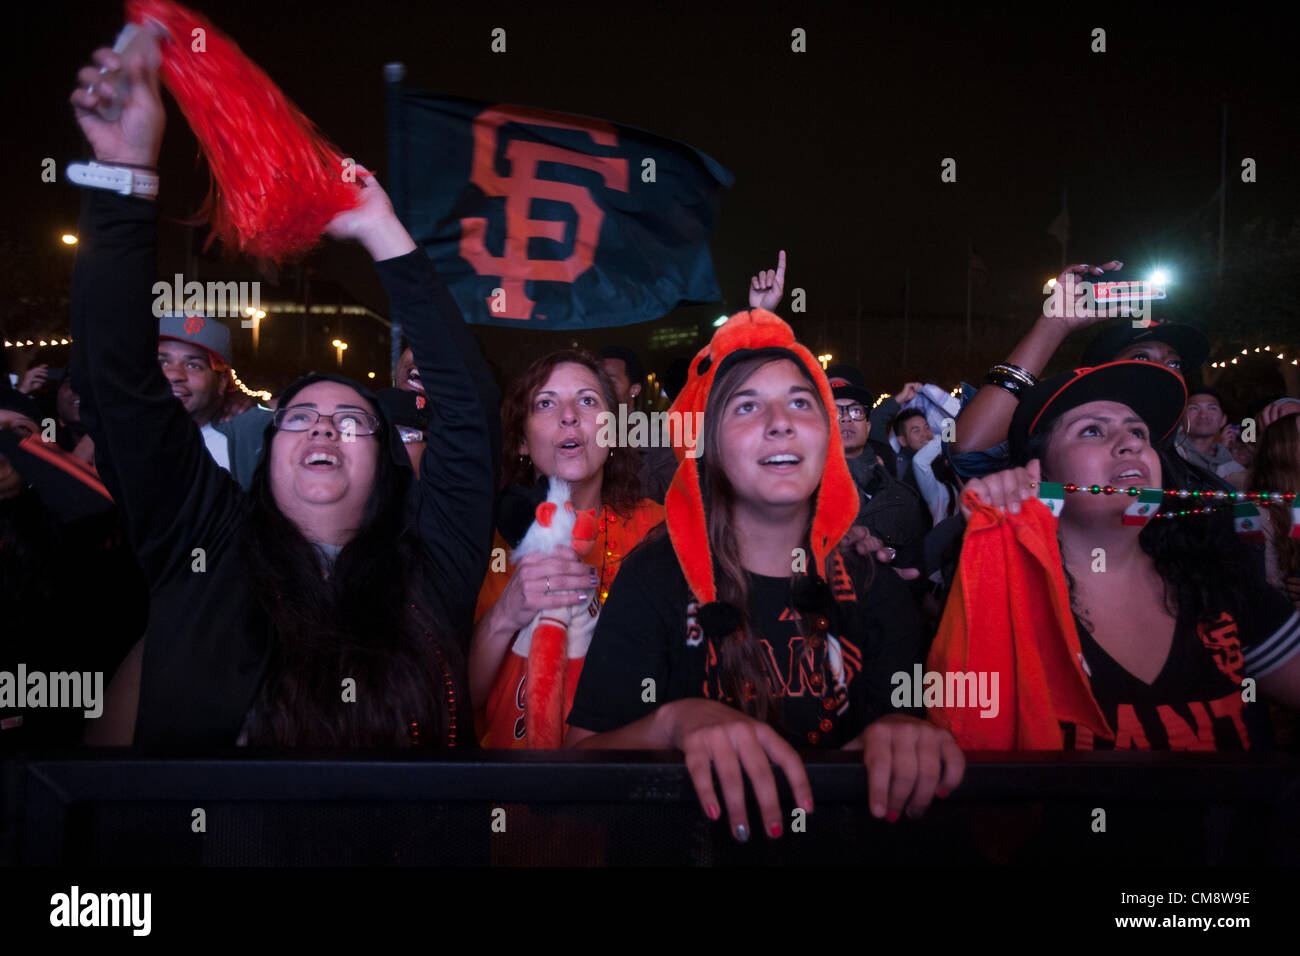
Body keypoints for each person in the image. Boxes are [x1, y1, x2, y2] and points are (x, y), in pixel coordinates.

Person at [68, 41, 498, 748]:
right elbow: (116, 380)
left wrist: (381, 230)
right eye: (299, 417)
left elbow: (471, 412)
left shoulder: (431, 565)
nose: (324, 429)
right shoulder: (201, 543)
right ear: (265, 460)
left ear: (387, 467)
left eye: (353, 422)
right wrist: (123, 174)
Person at [566, 309, 963, 840]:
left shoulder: (875, 589)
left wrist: (901, 734)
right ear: (708, 445)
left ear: (826, 437)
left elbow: (907, 769)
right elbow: (575, 779)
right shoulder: (655, 577)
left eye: (801, 402)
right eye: (747, 406)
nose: (781, 422)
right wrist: (671, 723)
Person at [931, 361, 1300, 750]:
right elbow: (957, 738)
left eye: (1139, 432)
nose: (1132, 443)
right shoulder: (1008, 594)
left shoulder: (1222, 581)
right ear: (1039, 474)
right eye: (1092, 430)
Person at [470, 348, 664, 747]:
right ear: (522, 440)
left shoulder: (660, 530)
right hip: (507, 782)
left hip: (622, 783)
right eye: (546, 402)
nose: (569, 415)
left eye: (587, 400)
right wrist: (506, 613)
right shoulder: (486, 542)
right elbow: (456, 702)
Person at [949, 260, 1211, 481]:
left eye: (1174, 363)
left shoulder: (1204, 490)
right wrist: (1055, 325)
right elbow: (970, 452)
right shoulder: (1045, 474)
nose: (1161, 370)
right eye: (1141, 356)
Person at [157, 312, 271, 490]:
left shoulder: (257, 436)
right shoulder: (114, 428)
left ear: (222, 381)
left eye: (193, 365)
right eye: (162, 362)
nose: (174, 375)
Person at [599, 344, 676, 504]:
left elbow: (669, 497)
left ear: (634, 389)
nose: (602, 388)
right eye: (598, 380)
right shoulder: (584, 433)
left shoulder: (658, 439)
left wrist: (623, 455)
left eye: (611, 381)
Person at [1176, 386, 1246, 488]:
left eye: (1212, 408)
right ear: (1181, 418)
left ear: (1223, 420)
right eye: (1194, 408)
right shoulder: (1170, 455)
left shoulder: (1232, 467)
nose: (1203, 415)